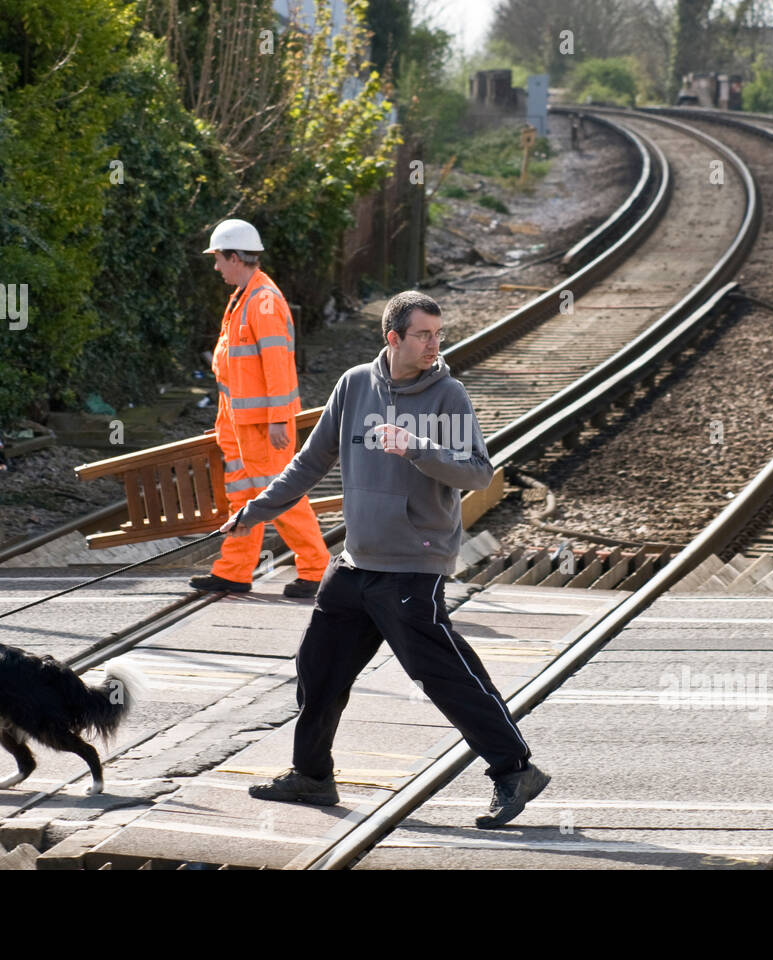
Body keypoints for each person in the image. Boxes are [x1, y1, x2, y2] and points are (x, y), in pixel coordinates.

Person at [221, 290, 550, 829]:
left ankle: (514, 771)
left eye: (437, 335)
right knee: (318, 669)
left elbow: (476, 474)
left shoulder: (448, 396)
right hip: (355, 563)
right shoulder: (355, 385)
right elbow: (310, 462)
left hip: (413, 564)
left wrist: (418, 447)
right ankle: (312, 776)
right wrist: (255, 511)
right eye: (423, 335)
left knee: (441, 674)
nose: (434, 345)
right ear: (392, 337)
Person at [188, 219, 329, 599]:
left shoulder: (261, 301)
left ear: (235, 257)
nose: (216, 266)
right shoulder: (243, 297)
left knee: (281, 496)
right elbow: (235, 371)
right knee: (243, 498)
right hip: (240, 425)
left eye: (218, 258)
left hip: (263, 425)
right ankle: (234, 571)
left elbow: (277, 366)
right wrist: (222, 424)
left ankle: (317, 571)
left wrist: (280, 420)